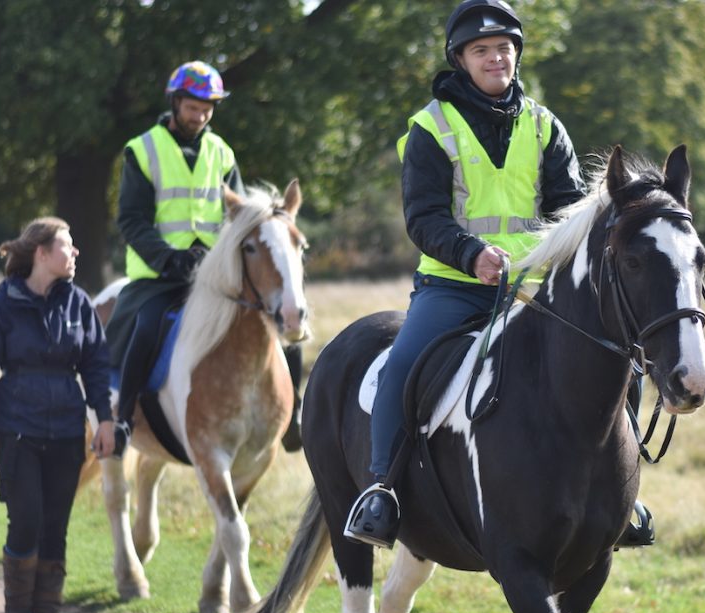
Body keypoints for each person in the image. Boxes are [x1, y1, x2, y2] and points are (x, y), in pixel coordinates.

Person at [343, 0, 593, 549]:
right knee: (401, 366)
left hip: (533, 290)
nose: (495, 58)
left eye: (504, 48)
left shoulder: (545, 126)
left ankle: (616, 490)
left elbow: (571, 210)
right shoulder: (431, 127)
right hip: (453, 287)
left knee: (612, 354)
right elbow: (423, 216)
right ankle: (382, 490)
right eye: (482, 50)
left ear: (517, 55)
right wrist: (471, 253)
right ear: (460, 59)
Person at [106, 60, 303, 459]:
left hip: (216, 274)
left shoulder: (222, 152)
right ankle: (123, 418)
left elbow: (239, 216)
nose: (200, 116)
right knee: (146, 326)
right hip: (160, 274)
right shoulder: (142, 150)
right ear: (175, 103)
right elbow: (131, 219)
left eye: (207, 108)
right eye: (193, 107)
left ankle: (293, 413)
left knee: (282, 322)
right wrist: (167, 258)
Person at [0, 217, 116, 613]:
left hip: (67, 432)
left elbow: (96, 365)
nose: (75, 253)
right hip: (16, 430)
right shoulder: (2, 304)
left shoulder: (79, 304)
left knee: (55, 529)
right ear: (42, 253)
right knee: (26, 520)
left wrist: (105, 420)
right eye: (67, 246)